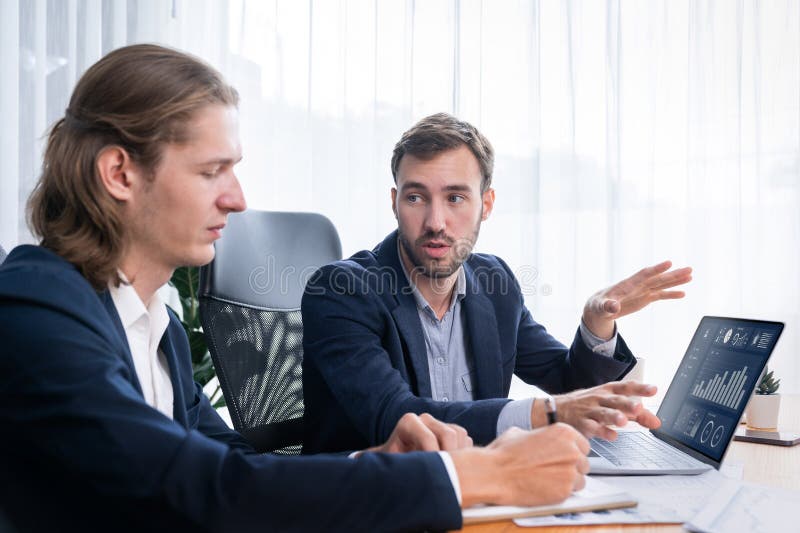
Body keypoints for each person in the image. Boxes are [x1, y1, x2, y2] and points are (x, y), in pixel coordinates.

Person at [0, 44, 595, 533]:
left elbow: (238, 462)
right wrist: (477, 475)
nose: (237, 199)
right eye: (212, 171)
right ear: (120, 174)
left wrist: (373, 463)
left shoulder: (157, 328)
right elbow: (203, 490)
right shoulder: (39, 310)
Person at [301, 112, 691, 454]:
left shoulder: (493, 283)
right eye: (416, 197)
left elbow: (568, 383)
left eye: (455, 198)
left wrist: (596, 322)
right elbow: (395, 417)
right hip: (374, 502)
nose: (436, 221)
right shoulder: (341, 290)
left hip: (481, 491)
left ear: (486, 205)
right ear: (394, 202)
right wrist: (548, 415)